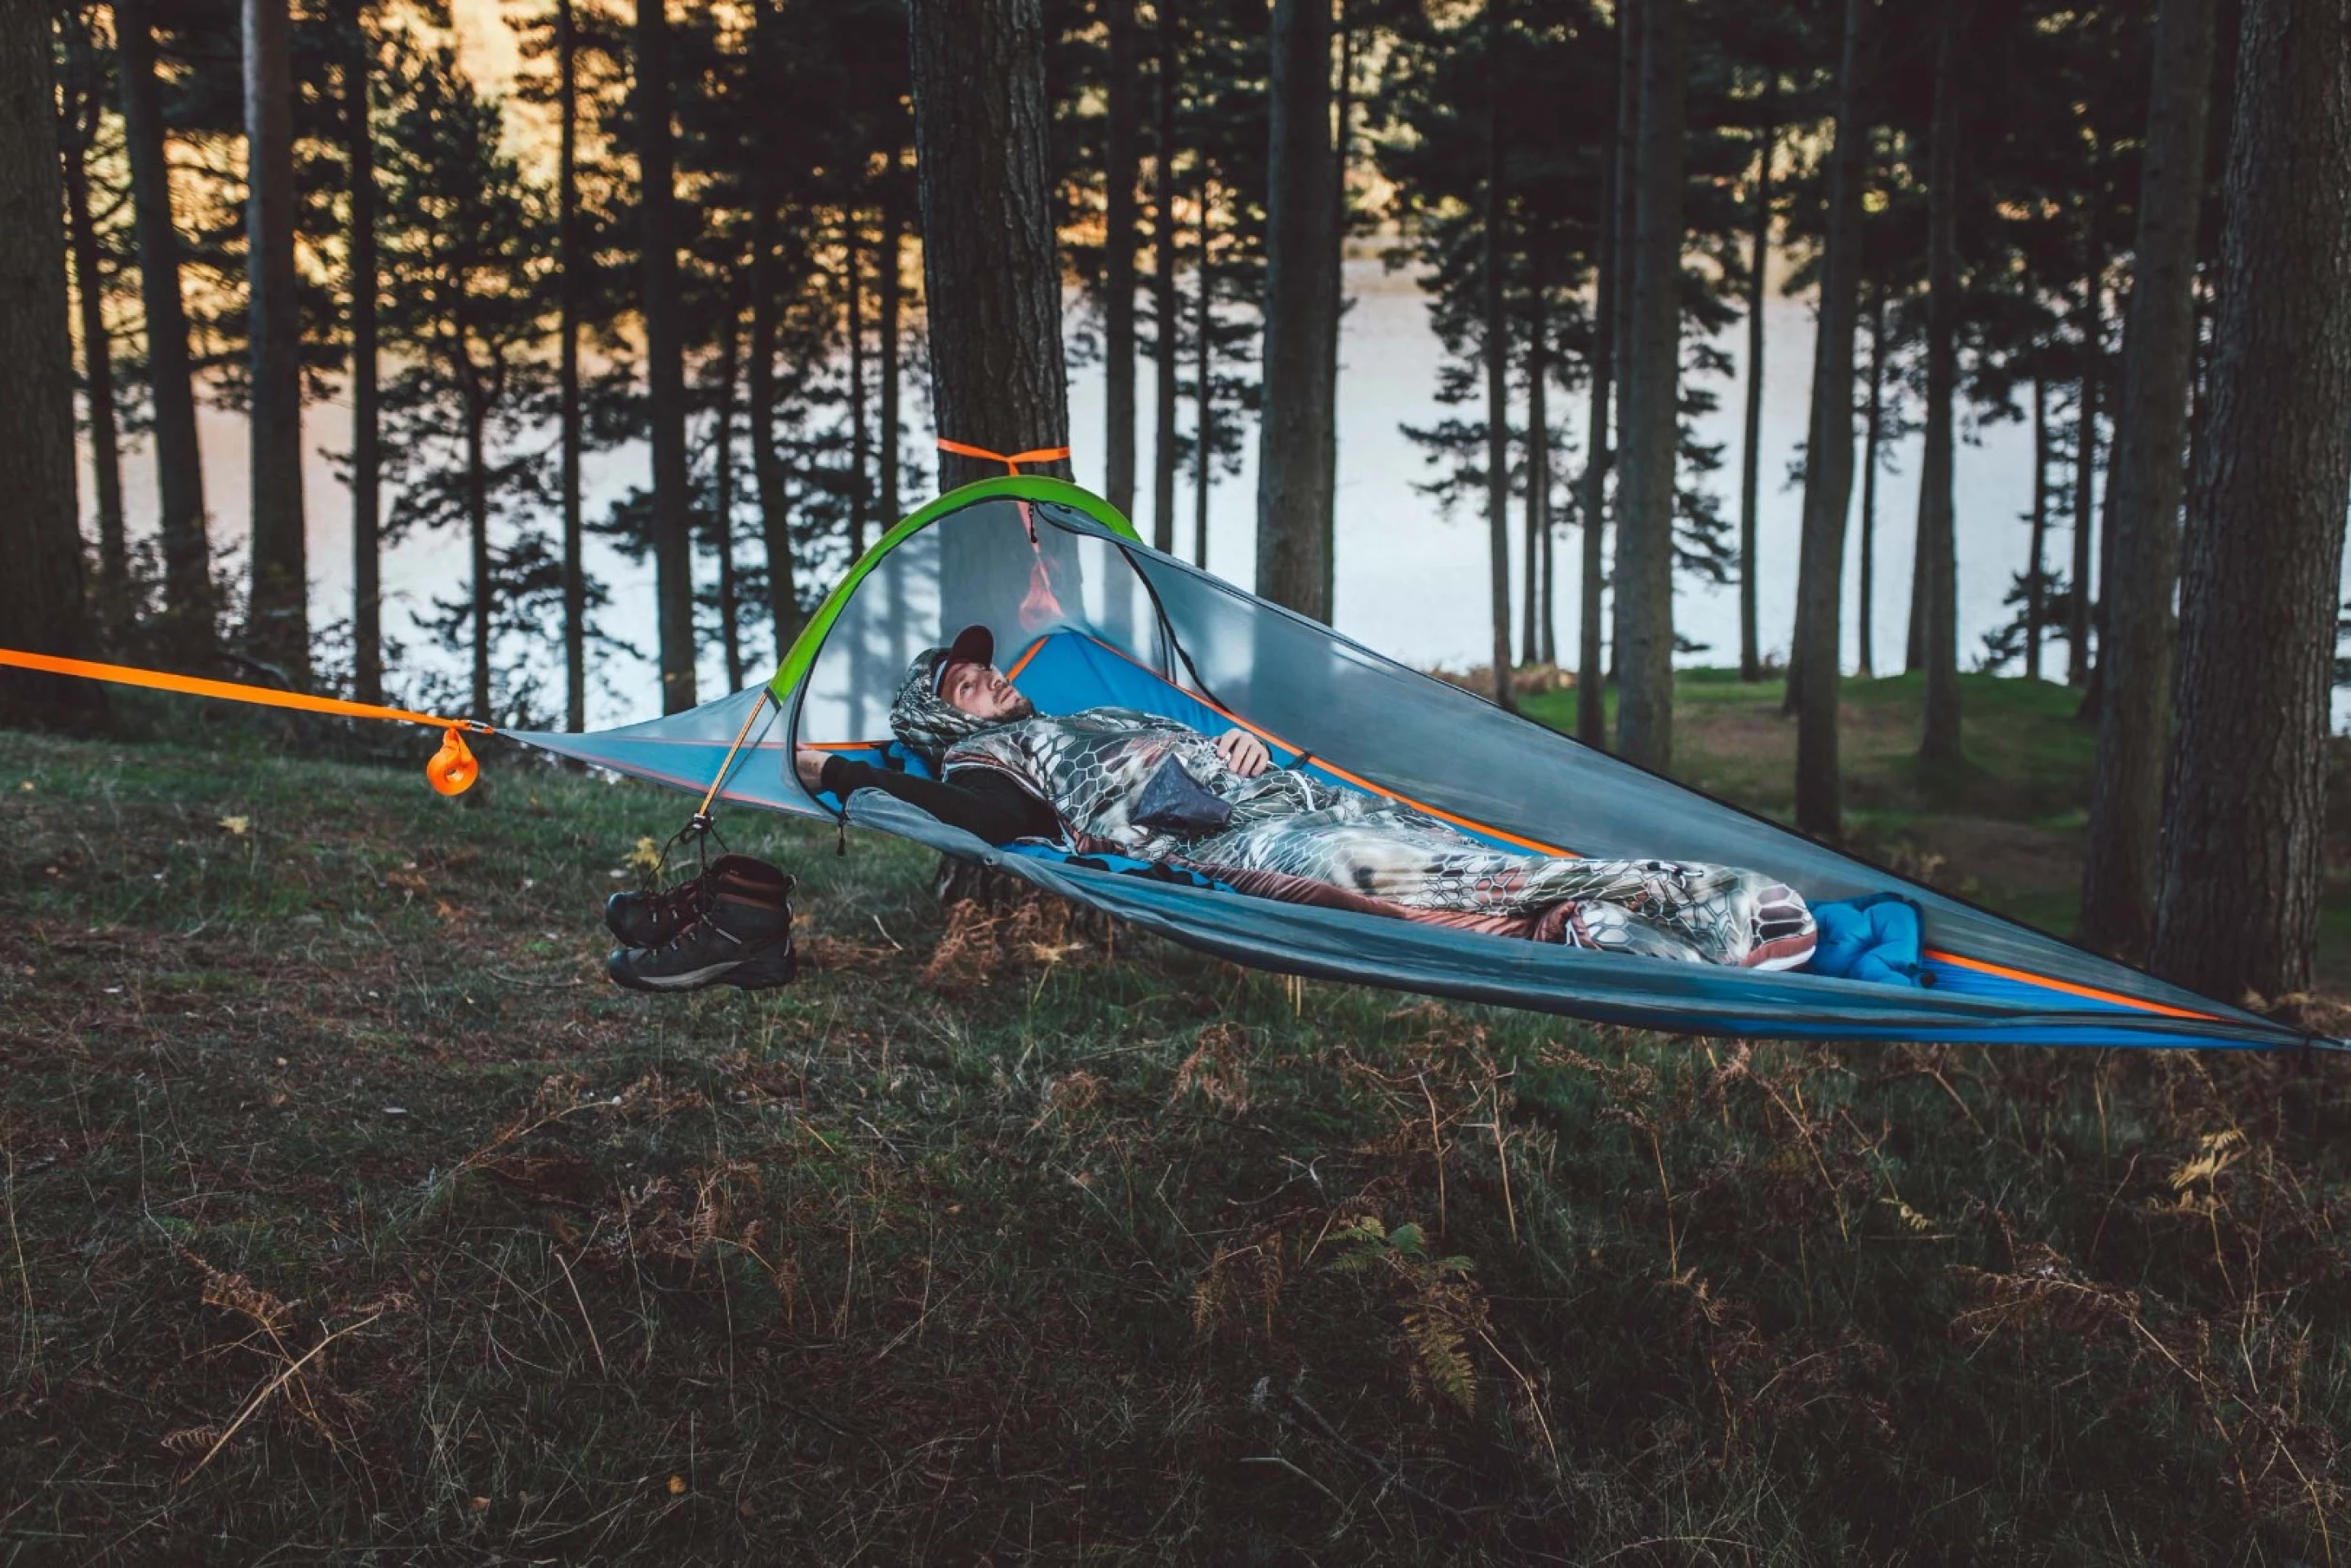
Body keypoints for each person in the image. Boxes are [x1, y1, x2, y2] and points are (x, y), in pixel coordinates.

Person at [798, 625, 1816, 969]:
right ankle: (1706, 898)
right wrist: (842, 773)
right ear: (947, 723)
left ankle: (1587, 930)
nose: (992, 680)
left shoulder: (1083, 715)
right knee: (1418, 878)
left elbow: (1191, 736)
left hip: (1282, 791)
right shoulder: (989, 765)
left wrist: (1230, 736)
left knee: (1436, 852)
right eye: (968, 687)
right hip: (1223, 842)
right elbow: (986, 827)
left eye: (985, 672)